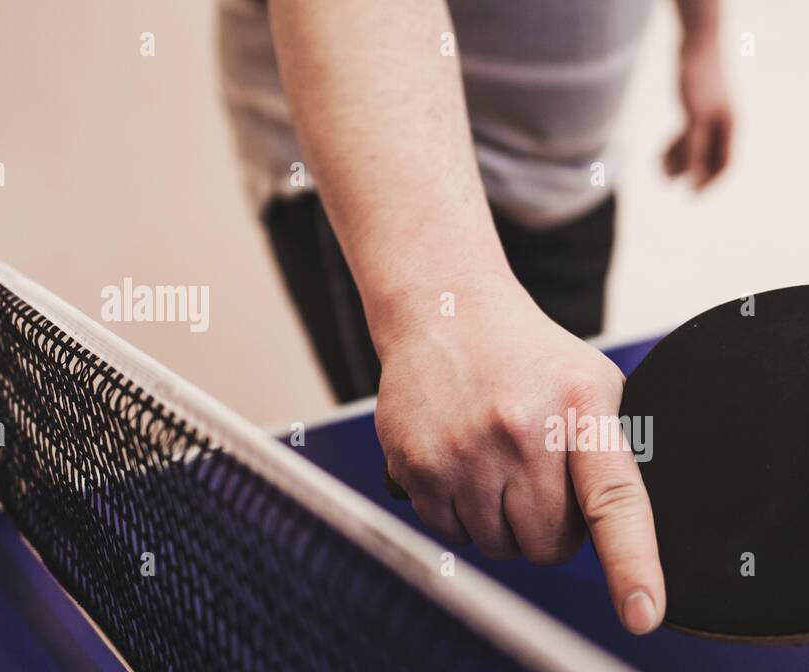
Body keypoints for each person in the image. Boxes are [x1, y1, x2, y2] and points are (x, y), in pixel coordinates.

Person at [218, 0, 732, 634]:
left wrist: (701, 39)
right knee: (470, 570)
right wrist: (442, 306)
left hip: (566, 172)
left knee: (554, 506)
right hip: (386, 168)